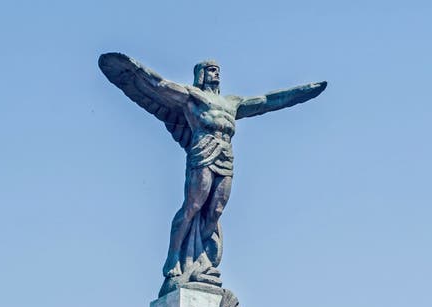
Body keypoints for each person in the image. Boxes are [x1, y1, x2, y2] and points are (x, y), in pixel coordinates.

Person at [98, 53, 327, 292]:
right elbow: (159, 85)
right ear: (201, 74)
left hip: (225, 156)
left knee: (216, 210)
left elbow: (266, 101)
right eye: (211, 70)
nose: (216, 74)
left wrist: (302, 92)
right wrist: (133, 69)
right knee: (193, 206)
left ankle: (200, 262)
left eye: (218, 70)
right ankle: (173, 258)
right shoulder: (191, 97)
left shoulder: (232, 103)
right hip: (203, 152)